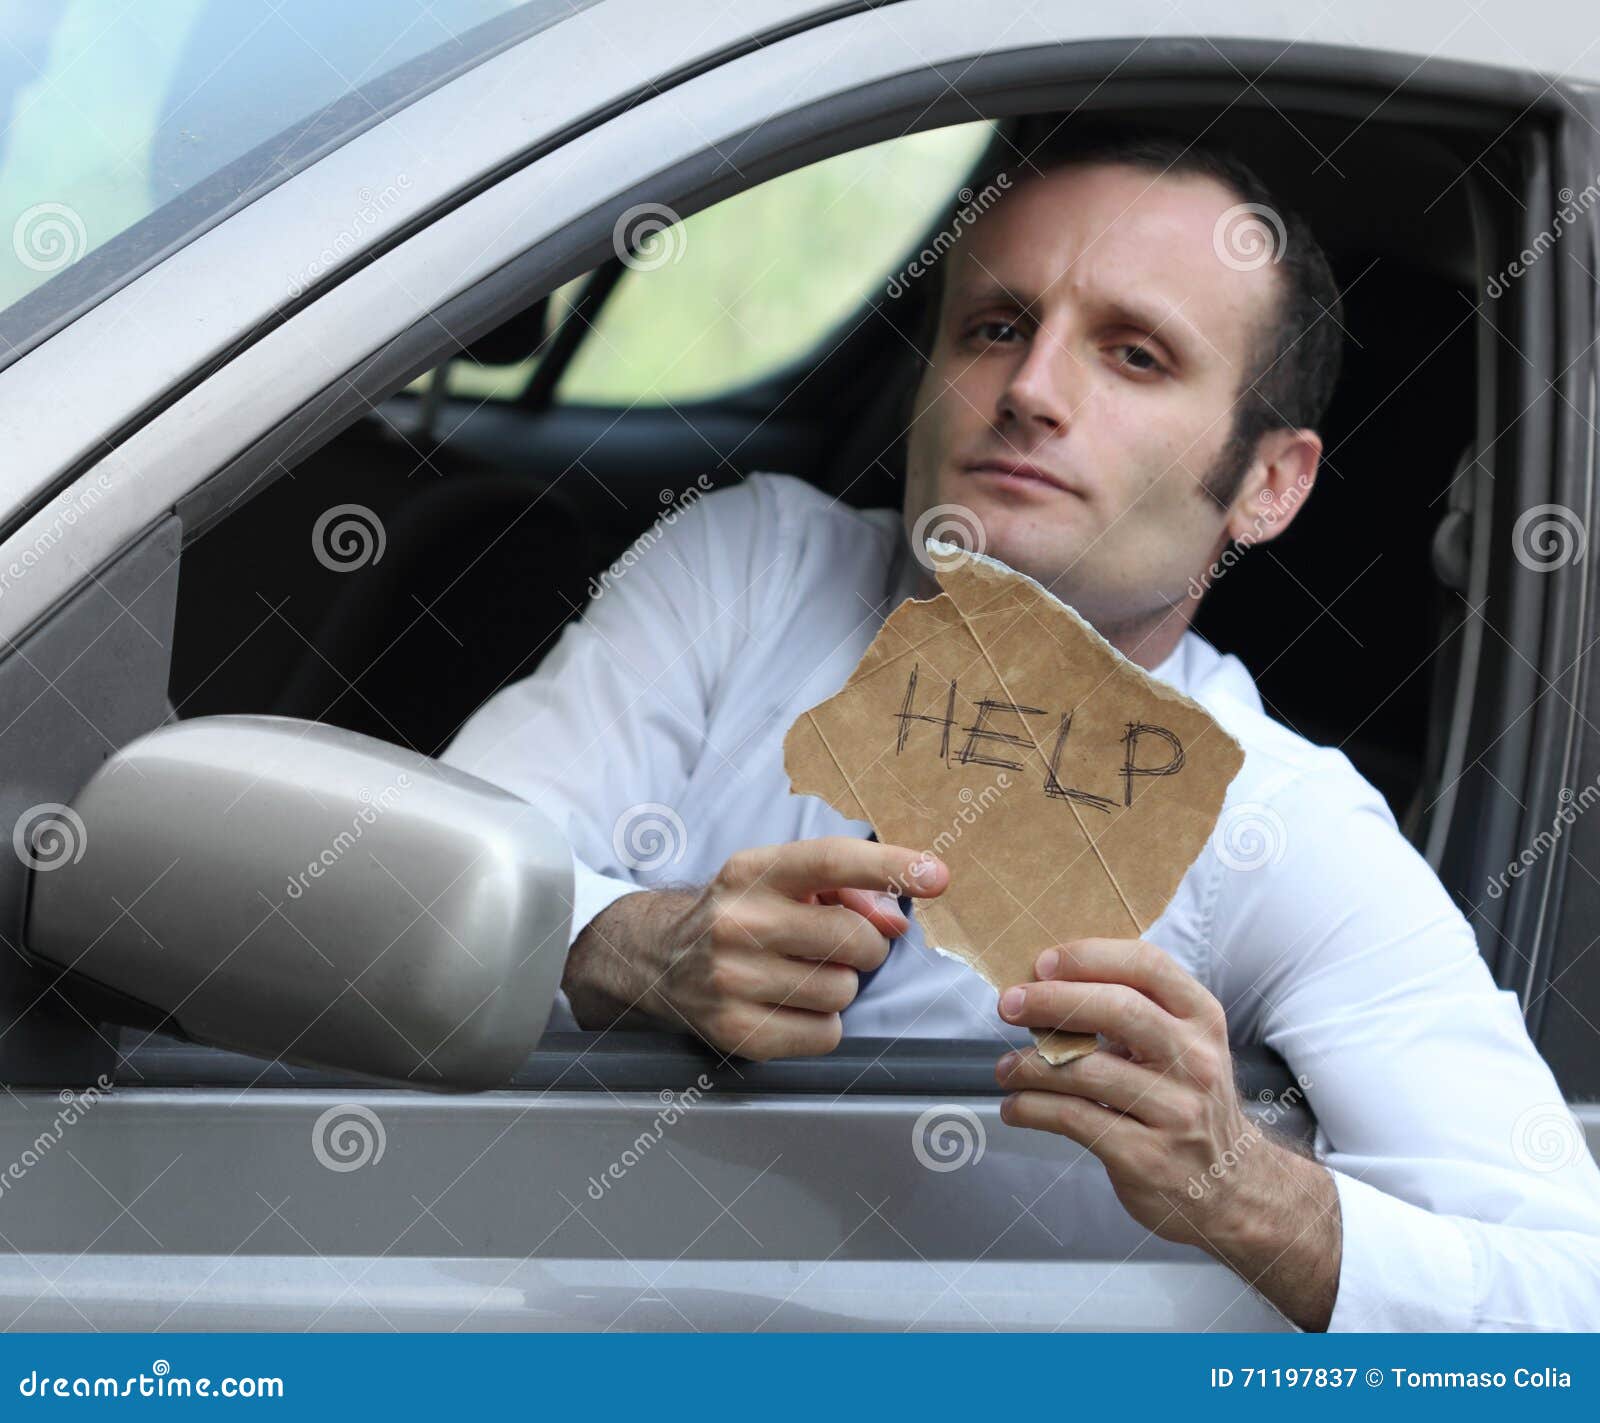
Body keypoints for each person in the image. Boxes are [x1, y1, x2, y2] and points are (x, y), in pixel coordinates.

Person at [442, 127, 1600, 1331]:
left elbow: (1573, 1306)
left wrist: (1244, 1190)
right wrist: (632, 945)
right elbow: (405, 901)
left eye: (1135, 355)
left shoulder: (1277, 827)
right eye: (995, 327)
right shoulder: (749, 567)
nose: (1031, 391)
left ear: (1269, 484)